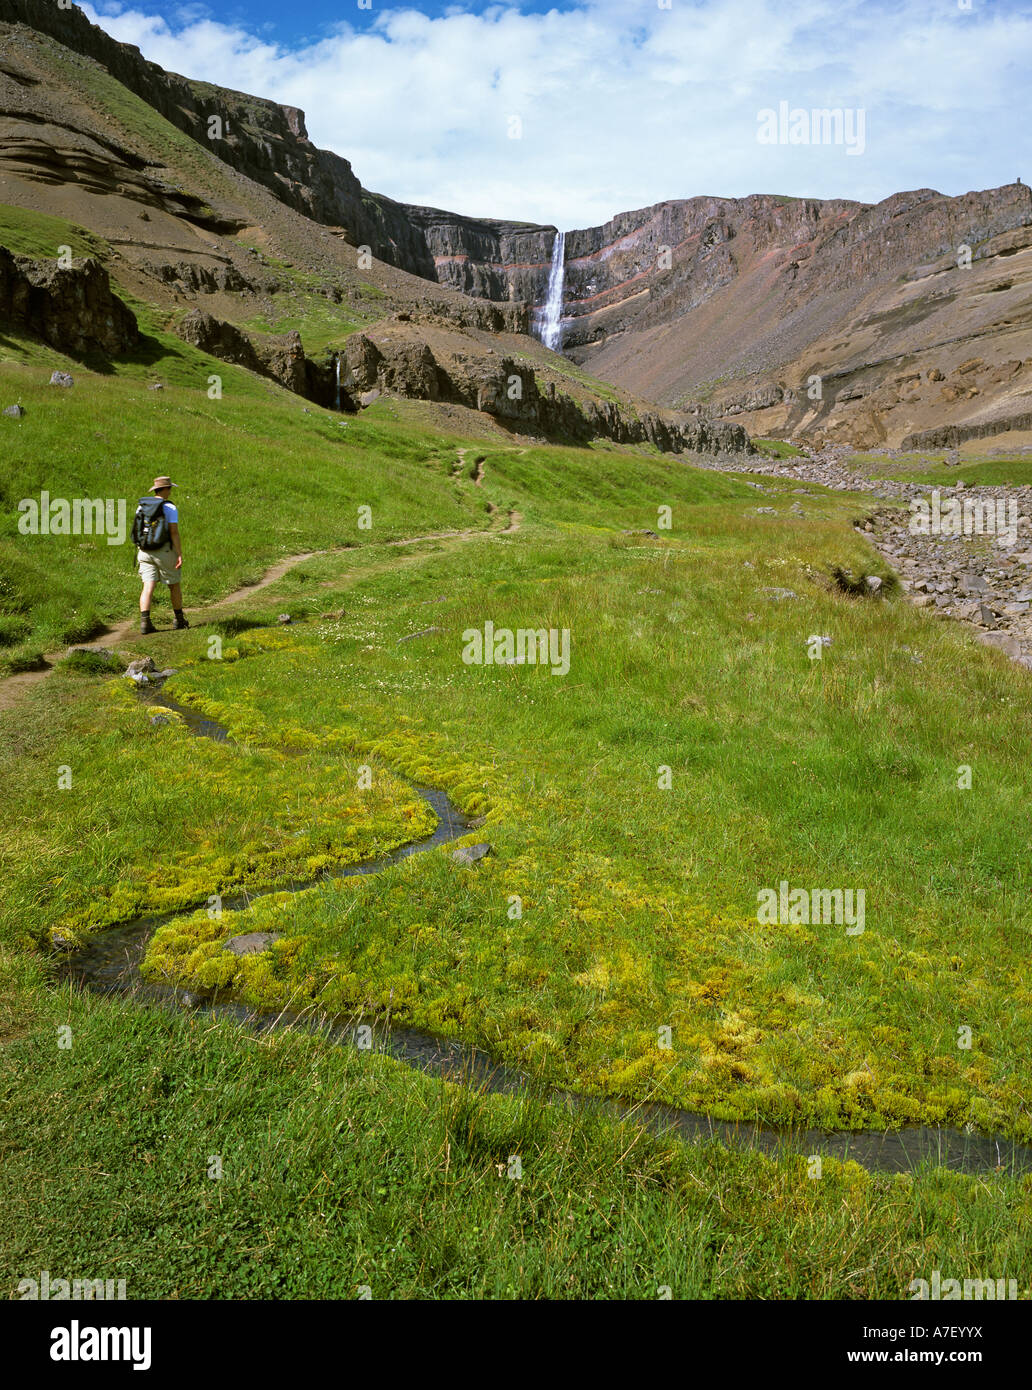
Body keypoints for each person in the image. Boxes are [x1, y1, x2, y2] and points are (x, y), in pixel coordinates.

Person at [136, 475, 188, 634]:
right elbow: (174, 532)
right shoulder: (170, 508)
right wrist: (179, 553)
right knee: (173, 584)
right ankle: (179, 620)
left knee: (148, 585)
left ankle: (145, 622)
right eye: (170, 488)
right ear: (164, 489)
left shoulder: (141, 506)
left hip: (144, 551)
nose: (170, 491)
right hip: (164, 552)